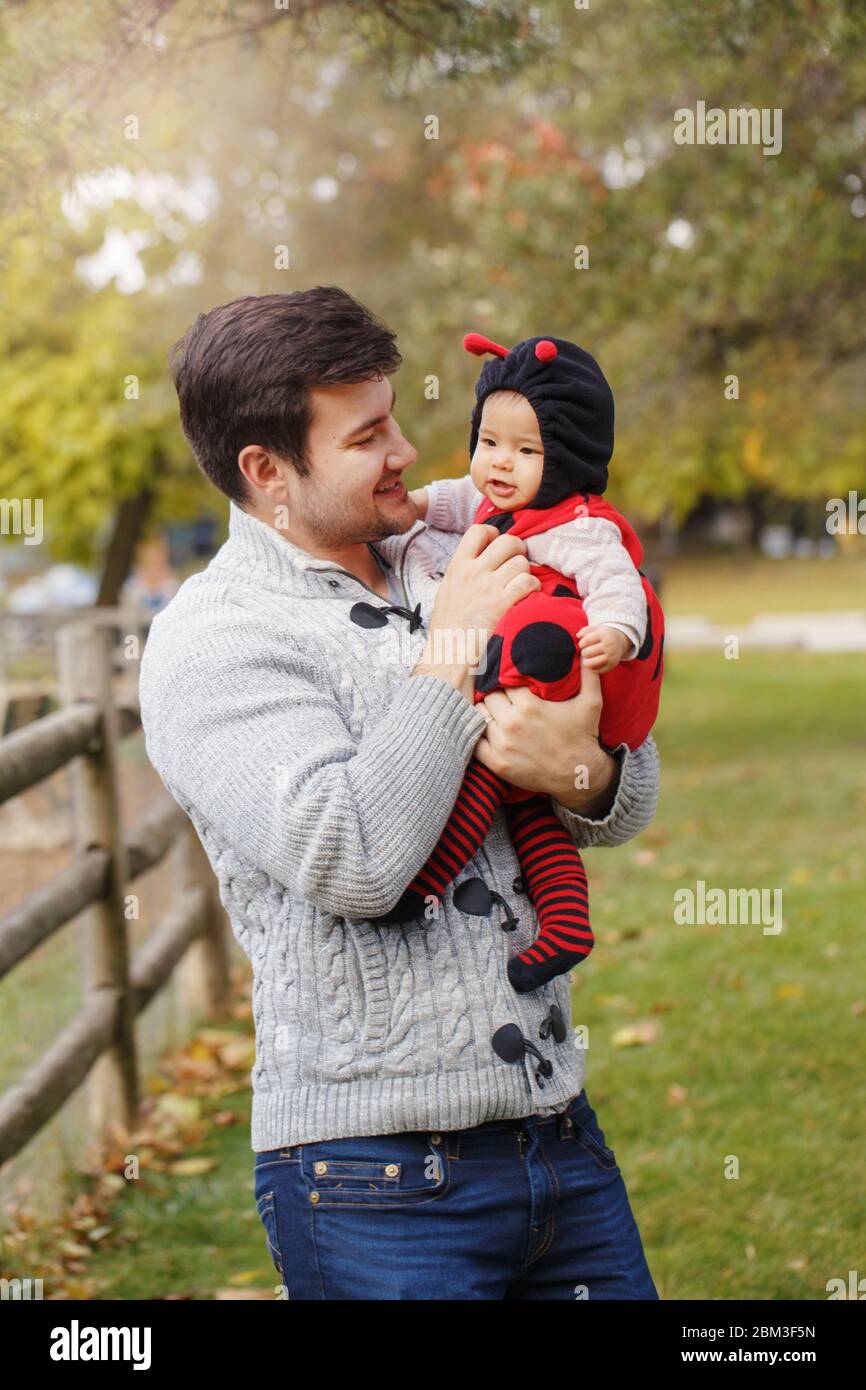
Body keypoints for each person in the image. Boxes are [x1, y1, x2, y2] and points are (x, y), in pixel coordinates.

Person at [138, 286, 661, 1300]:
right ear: (266, 471)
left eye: (395, 417)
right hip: (365, 1179)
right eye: (366, 434)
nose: (407, 450)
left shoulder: (444, 556)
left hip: (556, 1137)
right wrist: (455, 645)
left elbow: (624, 787)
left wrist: (582, 773)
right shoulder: (214, 639)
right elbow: (353, 859)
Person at [381, 330, 665, 994]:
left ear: (564, 458)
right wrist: (418, 505)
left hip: (559, 683)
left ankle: (423, 887)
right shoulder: (493, 499)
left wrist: (618, 632)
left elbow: (617, 582)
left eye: (526, 450)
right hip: (529, 692)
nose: (499, 464)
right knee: (531, 813)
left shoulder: (578, 524)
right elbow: (458, 497)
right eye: (488, 443)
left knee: (485, 774)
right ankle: (566, 927)